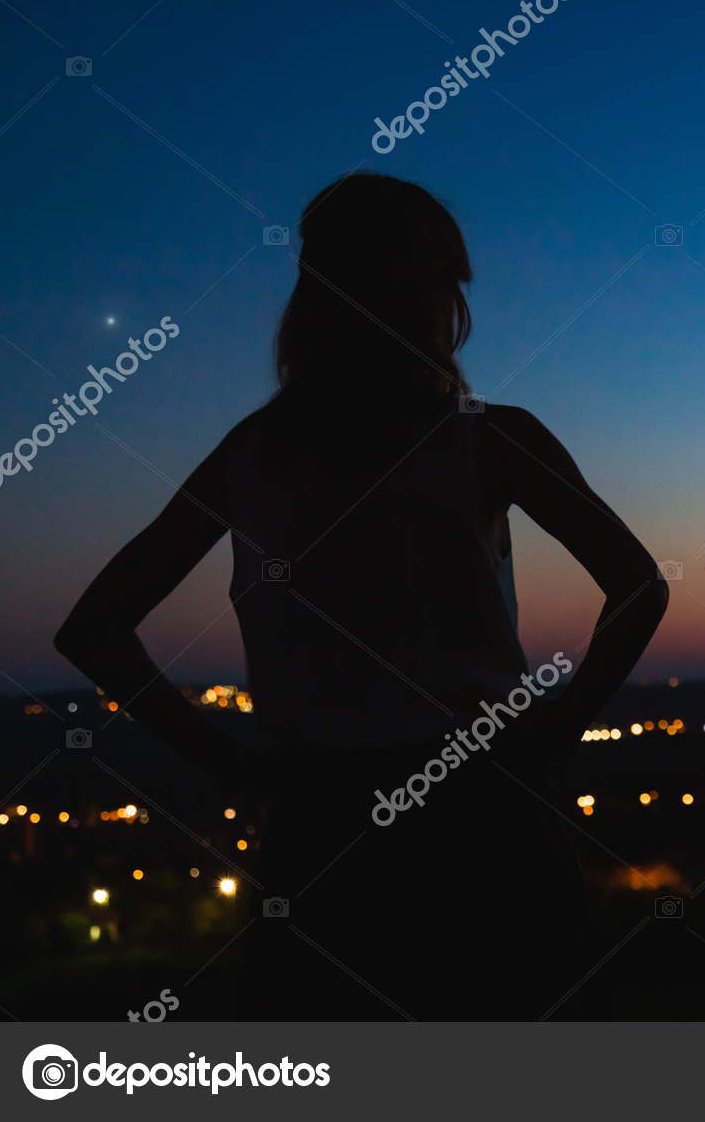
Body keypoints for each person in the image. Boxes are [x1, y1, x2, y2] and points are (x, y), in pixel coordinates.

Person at [54, 173, 668, 1019]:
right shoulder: (491, 439)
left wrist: (235, 766)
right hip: (483, 824)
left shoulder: (251, 455)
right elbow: (638, 584)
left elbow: (95, 629)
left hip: (323, 832)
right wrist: (557, 728)